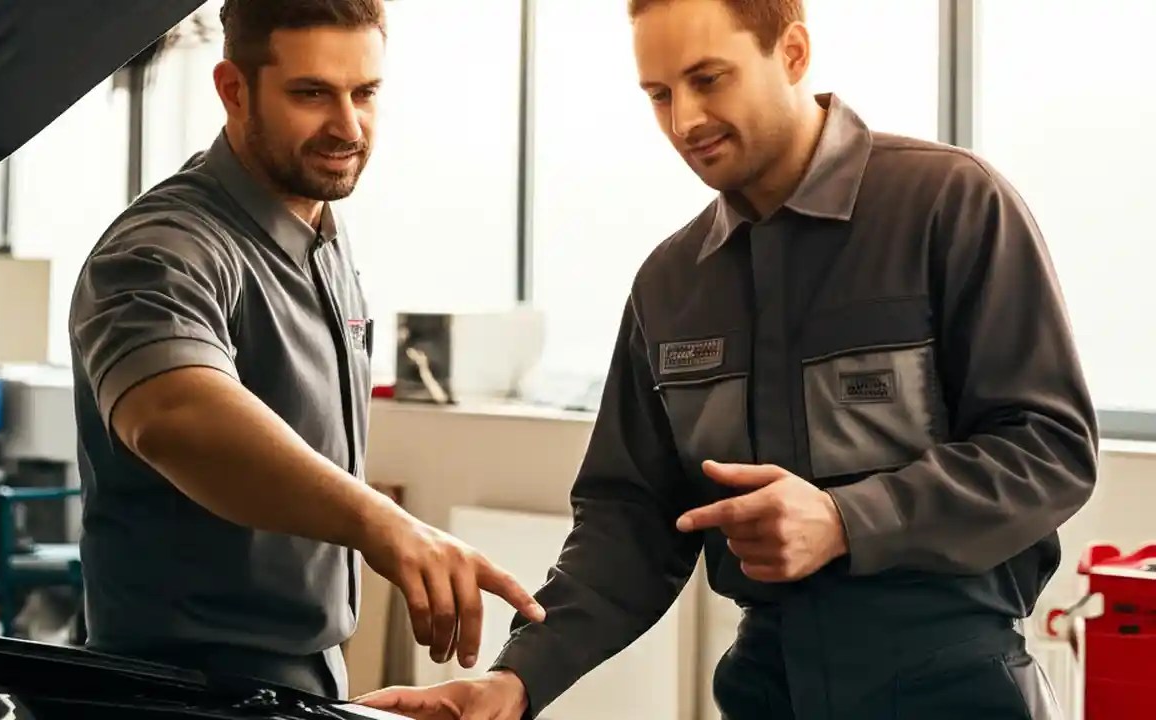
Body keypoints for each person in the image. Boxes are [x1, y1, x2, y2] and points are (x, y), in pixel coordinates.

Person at [357, 0, 1098, 718]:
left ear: (794, 53)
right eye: (658, 94)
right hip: (767, 690)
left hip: (956, 688)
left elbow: (1049, 448)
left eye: (709, 79)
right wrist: (515, 681)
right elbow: (632, 522)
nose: (684, 121)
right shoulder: (670, 284)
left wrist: (848, 519)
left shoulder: (952, 205)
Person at [67, 0, 544, 700]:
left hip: (298, 680)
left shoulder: (320, 231)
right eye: (312, 93)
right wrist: (384, 525)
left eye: (365, 93)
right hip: (178, 689)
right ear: (234, 90)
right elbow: (176, 416)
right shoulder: (160, 251)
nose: (348, 127)